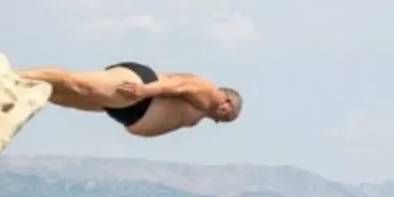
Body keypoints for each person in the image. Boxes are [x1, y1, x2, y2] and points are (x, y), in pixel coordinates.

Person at [17, 61, 242, 139]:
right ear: (228, 104)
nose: (217, 121)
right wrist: (145, 90)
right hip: (138, 92)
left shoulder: (202, 111)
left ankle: (16, 88)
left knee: (56, 94)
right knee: (75, 83)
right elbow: (181, 82)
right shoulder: (211, 94)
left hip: (131, 110)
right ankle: (12, 76)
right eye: (225, 118)